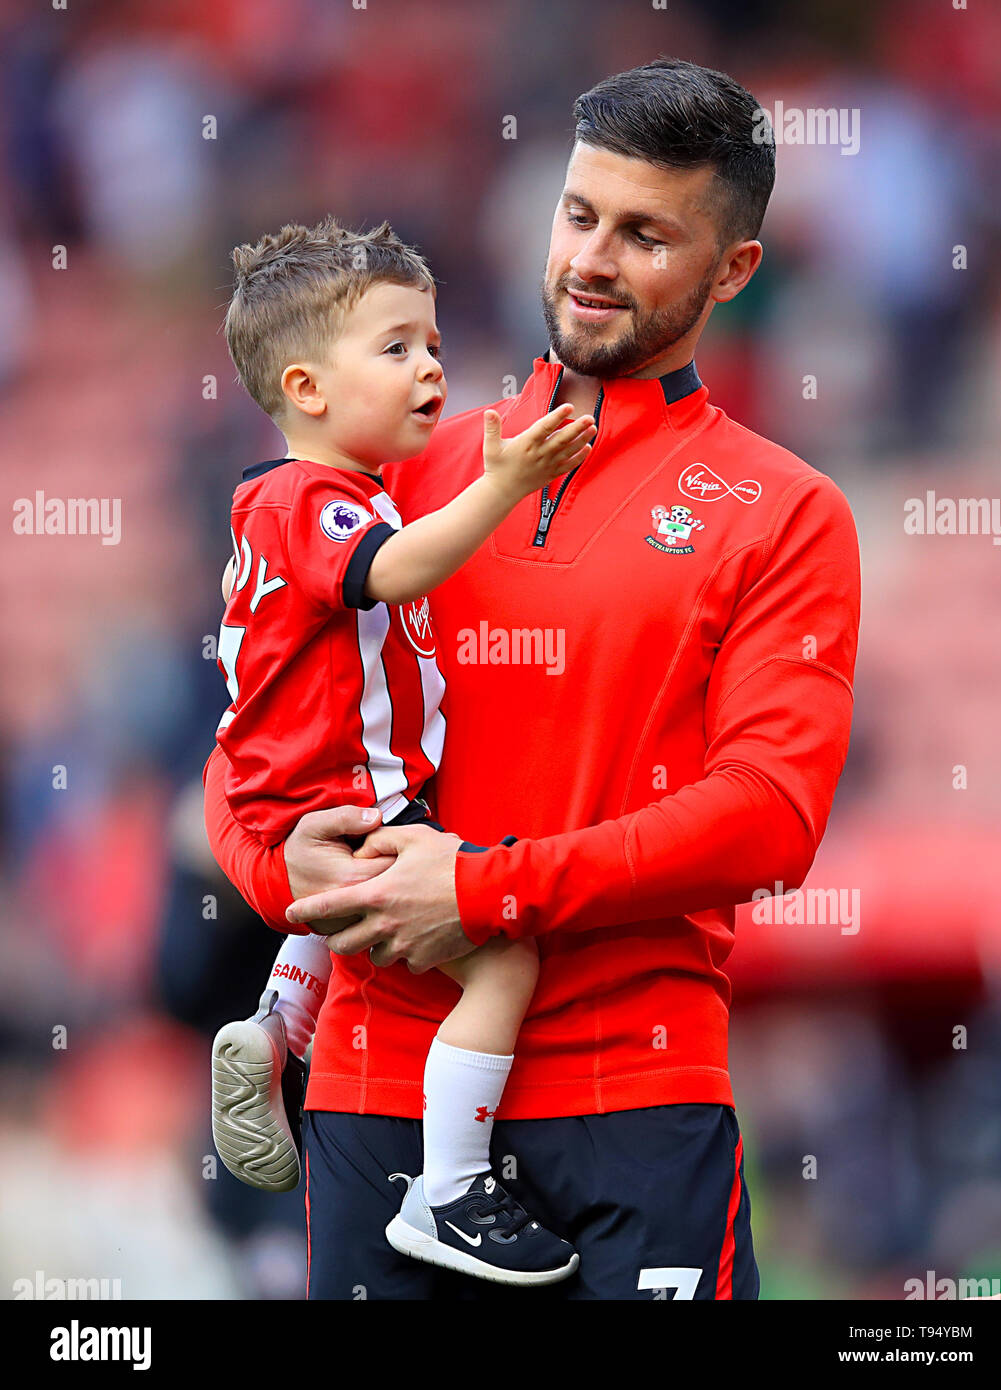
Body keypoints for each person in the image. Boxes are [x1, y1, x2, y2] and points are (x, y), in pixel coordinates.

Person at [204, 58, 861, 1300]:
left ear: (733, 272)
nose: (593, 260)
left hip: (637, 1095)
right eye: (578, 215)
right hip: (373, 1100)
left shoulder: (788, 513)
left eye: (646, 234)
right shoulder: (389, 473)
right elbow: (246, 741)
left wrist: (489, 892)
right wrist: (272, 865)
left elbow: (774, 815)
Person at [209, 214, 596, 1286]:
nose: (428, 365)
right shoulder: (314, 502)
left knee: (346, 901)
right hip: (351, 795)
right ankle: (452, 1184)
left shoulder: (284, 498)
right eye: (394, 348)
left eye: (431, 343)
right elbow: (400, 569)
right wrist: (506, 485)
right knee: (504, 954)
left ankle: (280, 1016)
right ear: (307, 388)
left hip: (301, 798)